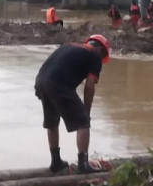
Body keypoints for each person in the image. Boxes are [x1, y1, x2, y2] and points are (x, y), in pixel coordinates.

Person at [35, 34, 110, 173]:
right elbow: (89, 86)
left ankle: (56, 162)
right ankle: (83, 165)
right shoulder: (94, 55)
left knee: (52, 121)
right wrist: (87, 111)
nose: (101, 58)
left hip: (41, 81)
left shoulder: (68, 46)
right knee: (83, 122)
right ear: (100, 49)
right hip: (58, 83)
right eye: (103, 55)